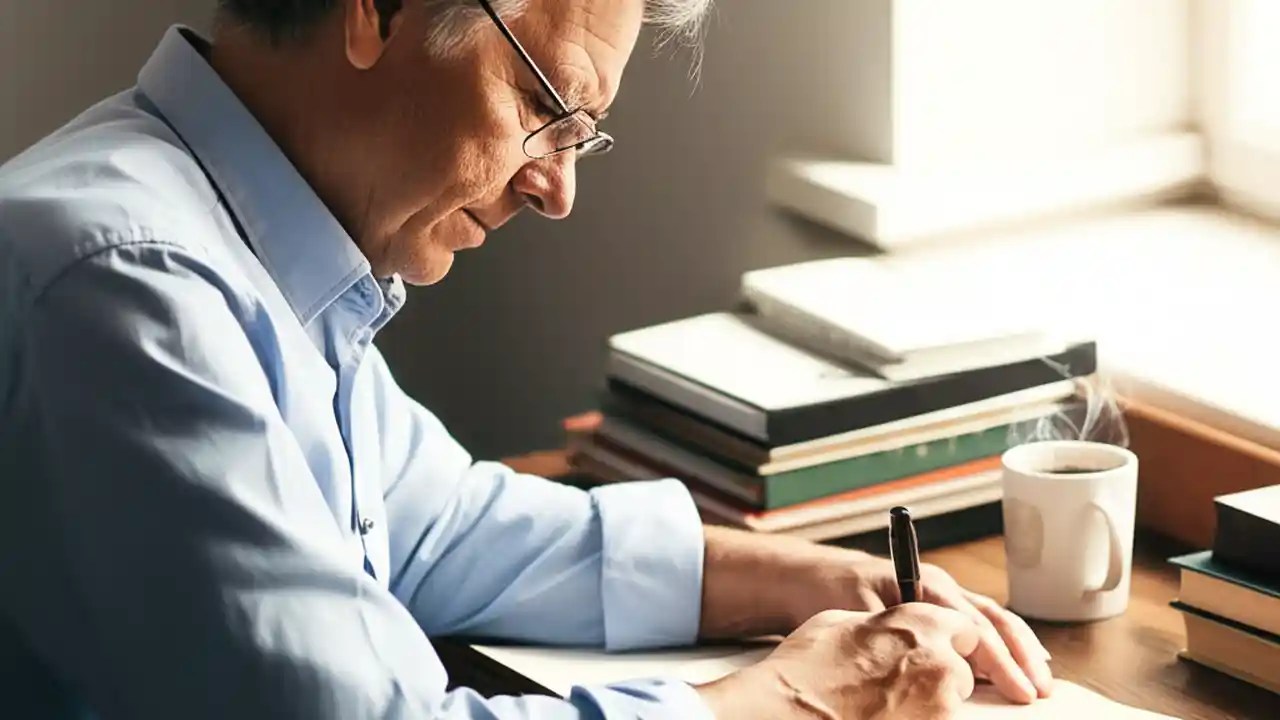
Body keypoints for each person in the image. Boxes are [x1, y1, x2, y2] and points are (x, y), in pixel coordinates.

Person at [0, 1, 1054, 718]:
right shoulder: (130, 286)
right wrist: (791, 692)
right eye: (547, 107)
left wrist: (813, 579)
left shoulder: (252, 249)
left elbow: (435, 527)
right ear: (376, 9)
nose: (557, 189)